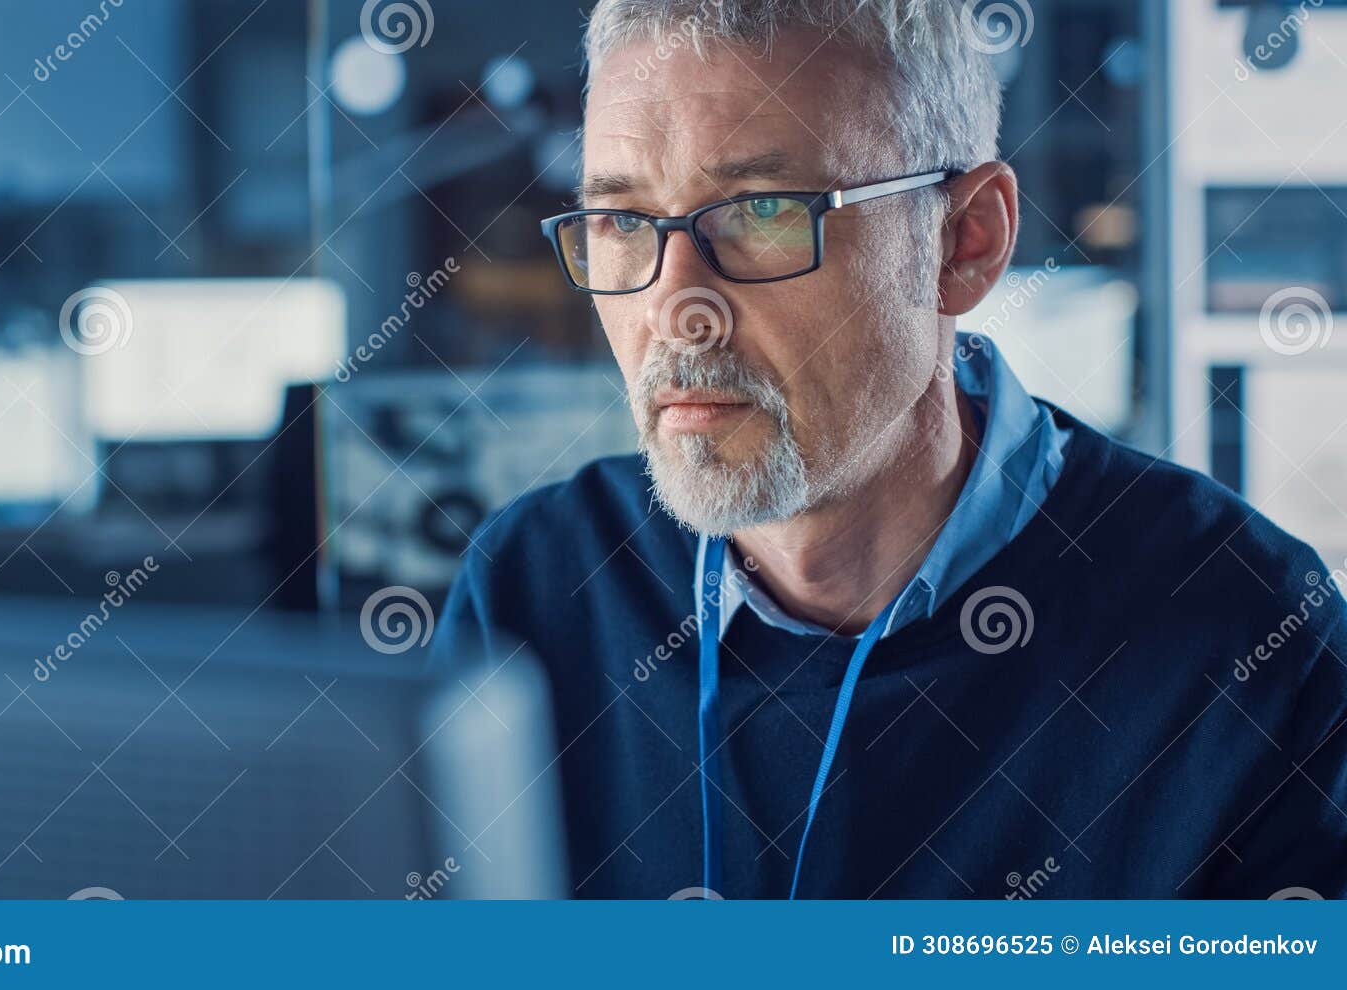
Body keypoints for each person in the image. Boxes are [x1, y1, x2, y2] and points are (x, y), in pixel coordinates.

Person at [431, 0, 1347, 899]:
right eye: (623, 224)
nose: (676, 311)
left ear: (964, 241)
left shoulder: (1246, 642)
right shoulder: (532, 588)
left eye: (764, 212)